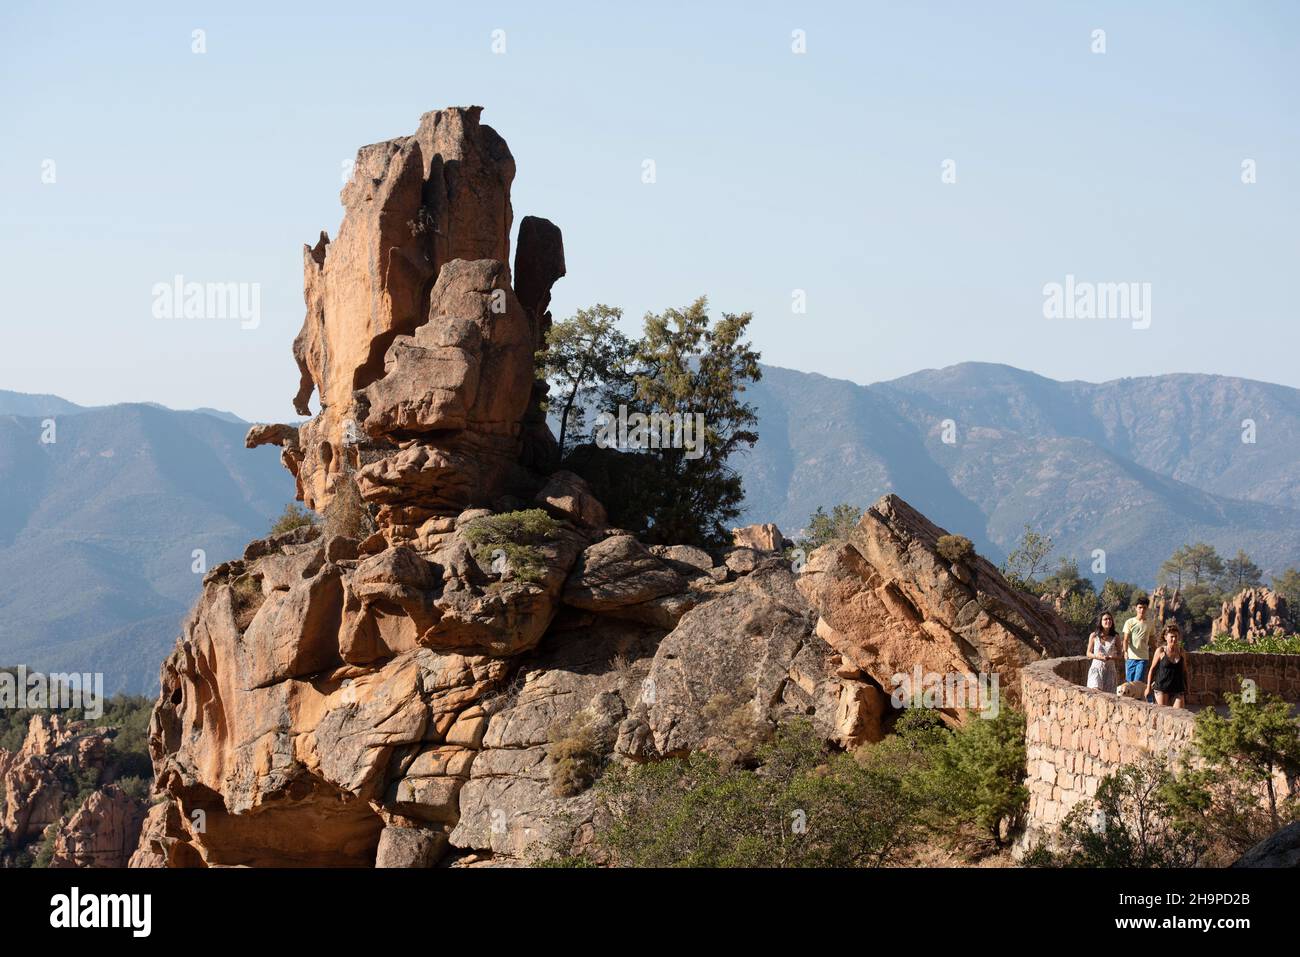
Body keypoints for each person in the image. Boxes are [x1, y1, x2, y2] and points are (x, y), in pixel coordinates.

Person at [1147, 623, 1190, 708]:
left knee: (1179, 714)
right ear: (1166, 637)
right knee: (1163, 715)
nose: (1174, 639)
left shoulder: (1181, 652)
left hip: (1178, 688)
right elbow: (1152, 669)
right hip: (1162, 688)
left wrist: (1188, 687)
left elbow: (1185, 671)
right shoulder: (1161, 651)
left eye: (1176, 636)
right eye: (1172, 637)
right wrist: (1148, 687)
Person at [1121, 598, 1156, 689]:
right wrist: (1125, 652)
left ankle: (1137, 702)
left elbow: (1152, 641)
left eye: (1144, 608)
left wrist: (1157, 653)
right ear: (1136, 608)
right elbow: (1125, 639)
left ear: (1147, 609)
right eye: (1140, 607)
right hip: (1130, 657)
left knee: (1137, 682)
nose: (1142, 610)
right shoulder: (1130, 622)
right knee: (1129, 683)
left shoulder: (1150, 623)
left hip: (1143, 658)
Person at [1086, 613, 1121, 692]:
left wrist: (1111, 657)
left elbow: (1120, 655)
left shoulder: (1116, 637)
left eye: (1110, 619)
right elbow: (1088, 653)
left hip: (1110, 671)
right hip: (1096, 669)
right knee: (1095, 692)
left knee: (1108, 697)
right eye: (1105, 619)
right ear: (1100, 622)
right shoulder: (1094, 635)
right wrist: (1097, 656)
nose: (1108, 621)